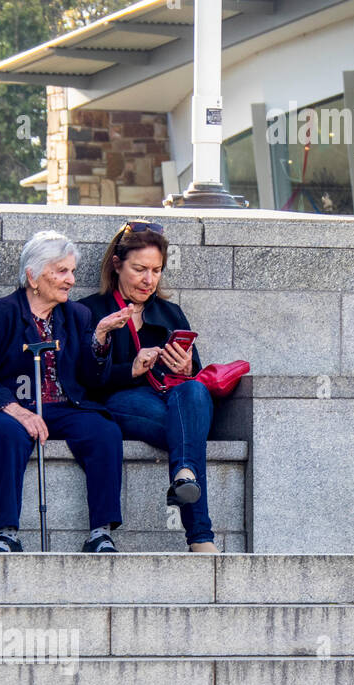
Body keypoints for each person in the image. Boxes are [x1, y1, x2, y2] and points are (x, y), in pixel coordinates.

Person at [0, 230, 128, 553]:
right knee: (8, 433)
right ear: (33, 276)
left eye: (72, 271)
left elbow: (92, 378)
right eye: (61, 271)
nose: (71, 279)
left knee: (104, 431)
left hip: (62, 405)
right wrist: (16, 410)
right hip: (7, 407)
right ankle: (7, 533)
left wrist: (100, 337)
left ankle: (100, 533)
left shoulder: (78, 316)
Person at [79, 220, 217, 554]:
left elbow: (194, 373)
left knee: (195, 390)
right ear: (117, 264)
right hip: (121, 401)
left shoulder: (170, 312)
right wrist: (132, 368)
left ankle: (184, 471)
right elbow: (82, 378)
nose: (148, 280)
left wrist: (185, 367)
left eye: (156, 270)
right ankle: (200, 538)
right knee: (185, 431)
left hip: (174, 398)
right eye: (139, 269)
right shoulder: (89, 310)